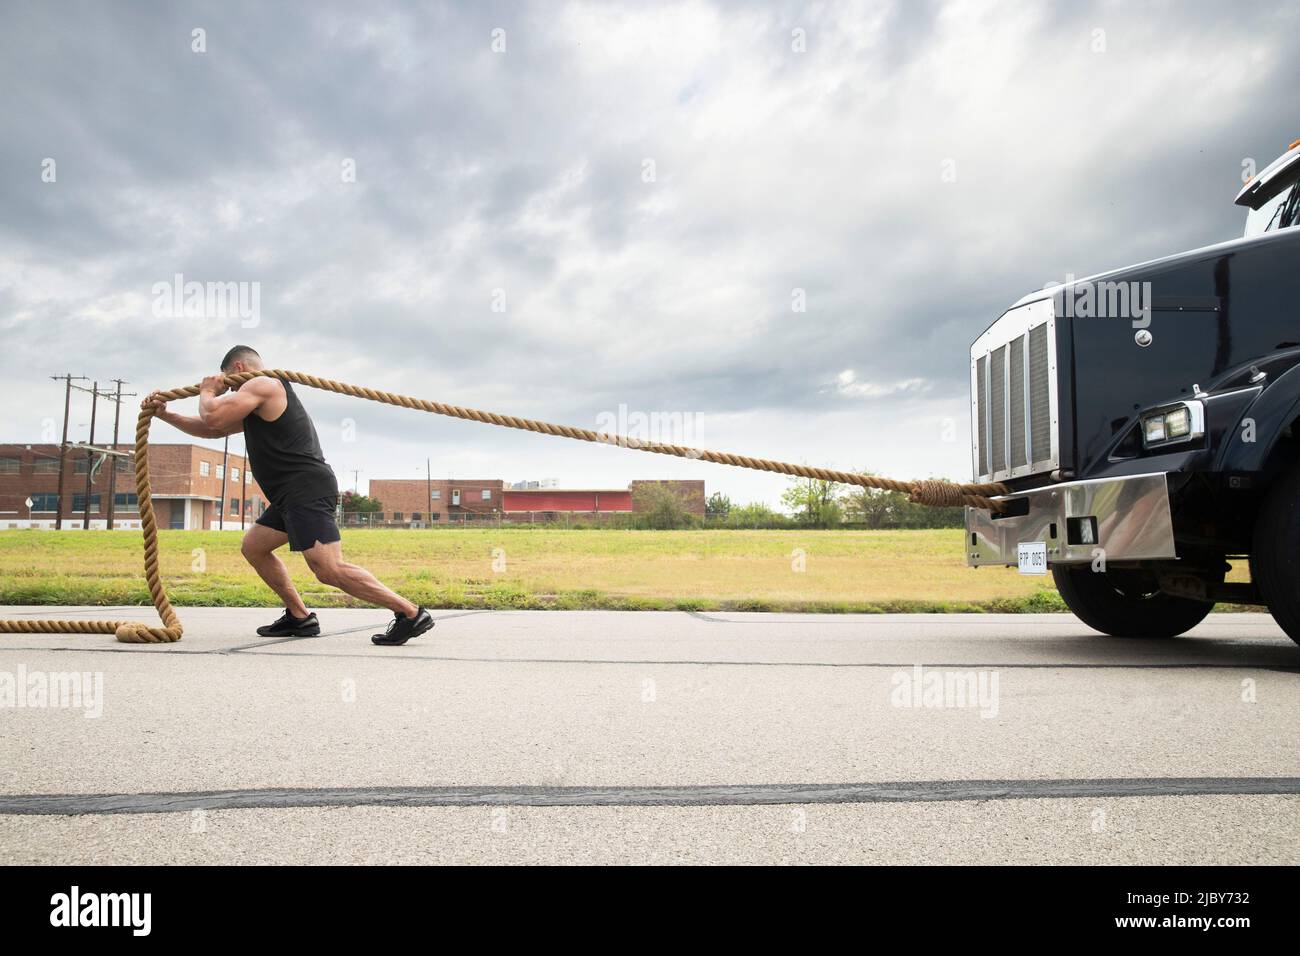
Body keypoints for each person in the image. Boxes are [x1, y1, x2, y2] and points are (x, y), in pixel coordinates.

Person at [141, 345, 434, 646]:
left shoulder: (264, 385)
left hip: (306, 488)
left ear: (238, 369)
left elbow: (213, 415)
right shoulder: (254, 403)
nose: (226, 383)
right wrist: (166, 415)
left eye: (227, 378)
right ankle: (299, 617)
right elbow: (211, 430)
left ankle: (410, 613)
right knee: (254, 546)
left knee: (327, 568)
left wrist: (208, 391)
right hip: (288, 494)